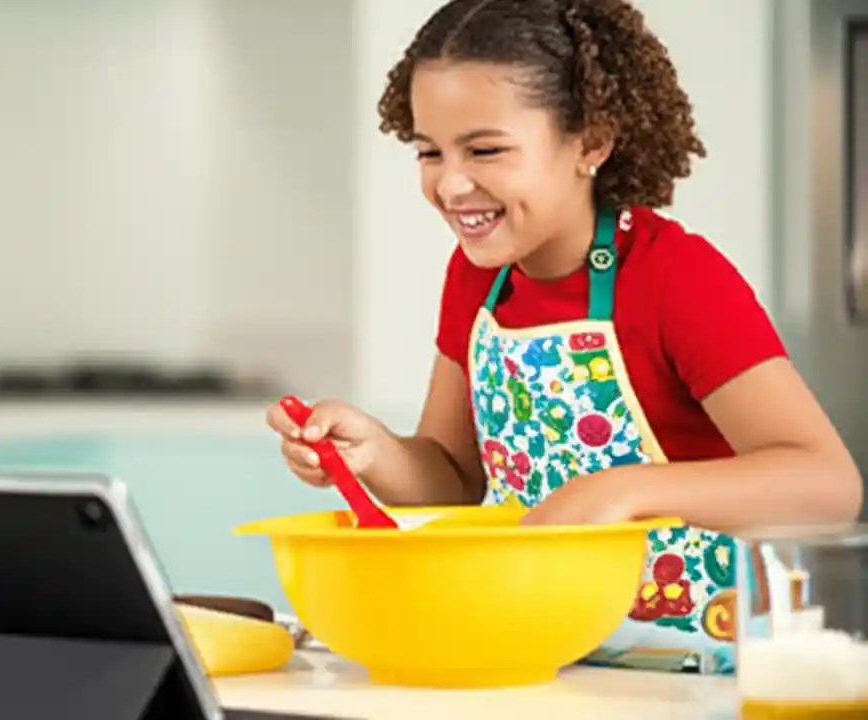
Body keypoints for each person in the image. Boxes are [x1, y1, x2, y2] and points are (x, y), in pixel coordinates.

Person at [265, 0, 863, 675]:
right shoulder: (476, 281)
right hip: (553, 659)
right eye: (429, 151)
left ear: (591, 144)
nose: (451, 183)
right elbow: (454, 483)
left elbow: (827, 483)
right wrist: (374, 453)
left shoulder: (676, 278)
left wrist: (624, 490)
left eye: (485, 149)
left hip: (712, 670)